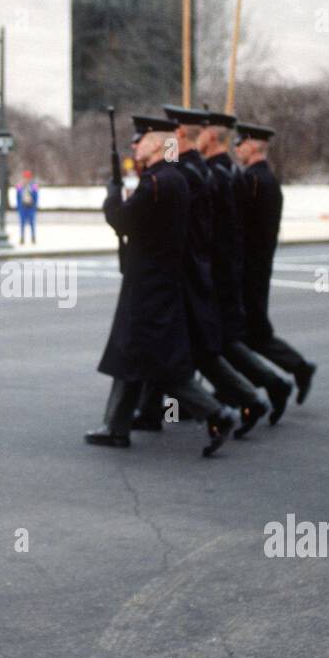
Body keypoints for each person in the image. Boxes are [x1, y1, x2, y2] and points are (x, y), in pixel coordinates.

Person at [86, 114, 239, 457]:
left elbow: (123, 221)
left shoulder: (158, 182)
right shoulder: (169, 177)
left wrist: (113, 197)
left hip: (149, 285)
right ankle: (116, 427)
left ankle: (217, 413)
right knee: (132, 355)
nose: (134, 146)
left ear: (156, 144)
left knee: (158, 364)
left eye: (139, 141)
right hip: (156, 281)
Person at [133, 106, 268, 437]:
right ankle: (152, 410)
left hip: (187, 274)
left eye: (171, 133)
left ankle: (244, 400)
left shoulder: (189, 173)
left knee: (190, 350)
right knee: (175, 347)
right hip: (193, 272)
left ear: (179, 135)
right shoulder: (196, 170)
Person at [196, 111, 293, 424]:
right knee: (219, 342)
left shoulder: (228, 176)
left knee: (218, 342)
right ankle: (246, 393)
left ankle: (257, 392)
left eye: (201, 131)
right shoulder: (231, 174)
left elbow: (230, 231)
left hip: (223, 272)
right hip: (228, 270)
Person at [235, 122, 317, 404]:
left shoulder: (254, 181)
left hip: (249, 269)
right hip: (257, 266)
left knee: (248, 334)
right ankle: (293, 370)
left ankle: (285, 375)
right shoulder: (263, 179)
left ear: (253, 146)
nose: (237, 149)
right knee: (252, 333)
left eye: (241, 144)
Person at [15, 170, 39, 244]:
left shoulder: (34, 186)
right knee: (22, 223)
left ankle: (33, 237)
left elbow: (36, 196)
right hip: (23, 207)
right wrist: (19, 206)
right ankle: (22, 237)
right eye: (25, 177)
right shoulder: (20, 185)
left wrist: (35, 206)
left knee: (32, 223)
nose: (27, 179)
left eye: (28, 177)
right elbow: (17, 196)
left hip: (30, 207)